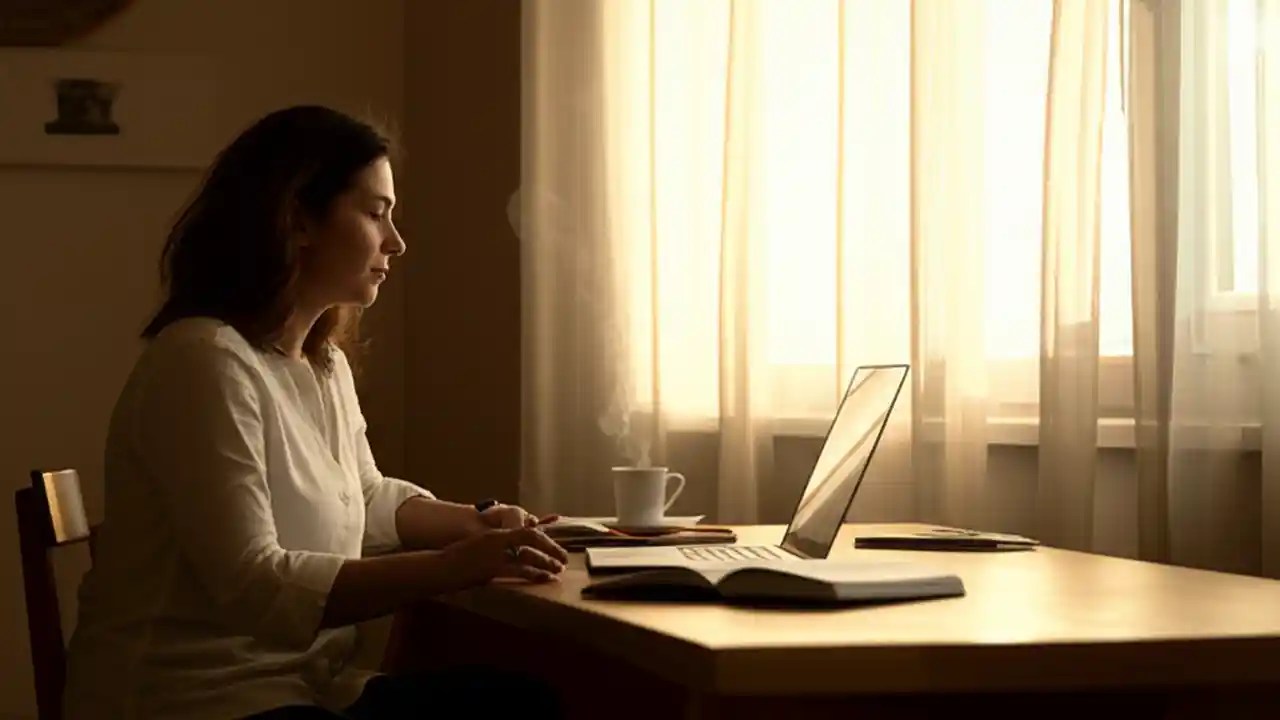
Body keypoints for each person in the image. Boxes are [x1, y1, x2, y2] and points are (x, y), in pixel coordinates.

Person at [63, 106, 569, 719]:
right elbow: (254, 586)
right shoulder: (203, 362)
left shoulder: (320, 364)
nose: (396, 241)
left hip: (306, 689)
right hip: (195, 701)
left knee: (523, 701)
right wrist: (449, 569)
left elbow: (365, 493)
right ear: (298, 217)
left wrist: (474, 523)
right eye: (376, 212)